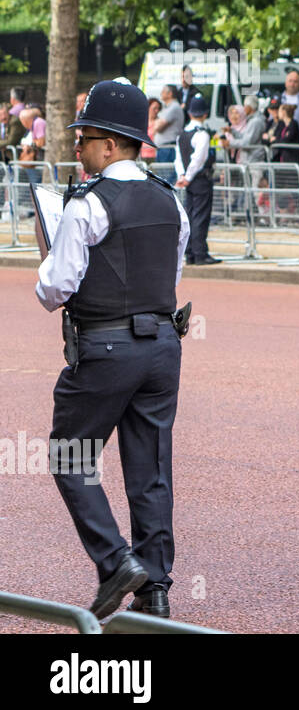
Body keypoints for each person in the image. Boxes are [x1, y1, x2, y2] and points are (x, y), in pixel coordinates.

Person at [35, 80, 190, 620]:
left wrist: (47, 256)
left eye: (83, 139)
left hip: (104, 345)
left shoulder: (87, 204)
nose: (76, 148)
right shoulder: (172, 198)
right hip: (164, 345)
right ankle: (156, 590)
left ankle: (116, 561)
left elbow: (54, 291)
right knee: (149, 468)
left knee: (68, 455)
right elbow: (170, 274)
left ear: (109, 145)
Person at [175, 94, 220, 265]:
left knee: (191, 214)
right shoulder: (202, 134)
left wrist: (182, 175)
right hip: (200, 179)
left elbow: (178, 158)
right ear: (205, 114)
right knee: (201, 216)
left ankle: (191, 252)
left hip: (188, 179)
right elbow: (199, 159)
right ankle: (200, 252)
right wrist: (188, 176)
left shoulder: (182, 134)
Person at [152, 85, 184, 165]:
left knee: (165, 175)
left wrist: (157, 123)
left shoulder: (174, 107)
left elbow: (158, 127)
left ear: (170, 94)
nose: (161, 94)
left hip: (168, 148)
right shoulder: (167, 108)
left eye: (163, 92)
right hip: (163, 148)